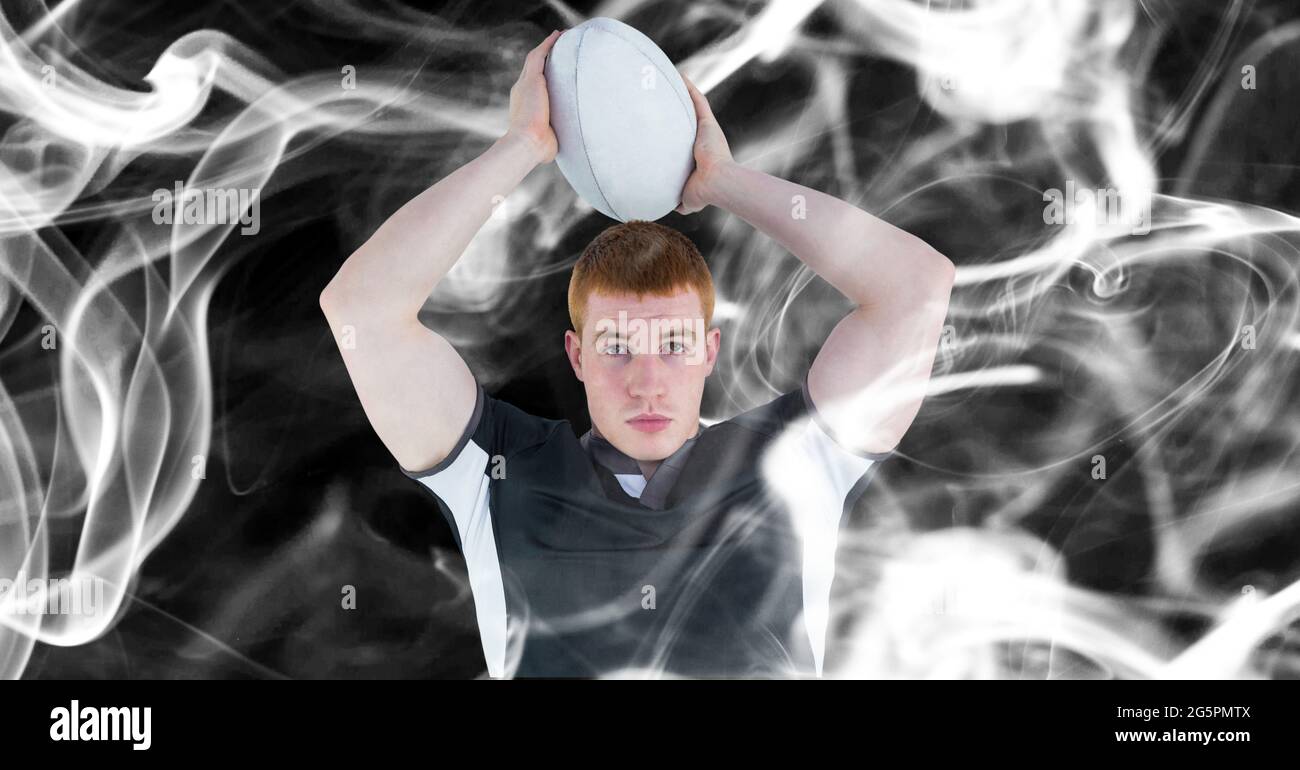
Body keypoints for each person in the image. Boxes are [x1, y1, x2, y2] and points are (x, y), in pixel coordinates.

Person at [320, 30, 955, 678]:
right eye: (617, 346)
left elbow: (916, 287)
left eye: (674, 345)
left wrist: (726, 182)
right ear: (576, 354)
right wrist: (525, 146)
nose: (647, 381)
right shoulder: (494, 467)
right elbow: (361, 312)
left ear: (710, 351)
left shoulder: (797, 460)